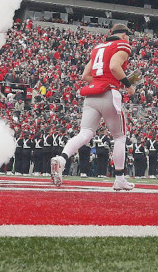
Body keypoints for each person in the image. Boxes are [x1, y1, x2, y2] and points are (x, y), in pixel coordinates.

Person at [51, 24, 136, 191]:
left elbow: (85, 75)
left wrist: (103, 81)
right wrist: (127, 85)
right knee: (119, 137)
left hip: (91, 95)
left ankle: (61, 159)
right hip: (108, 93)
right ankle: (119, 178)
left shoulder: (98, 48)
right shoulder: (122, 45)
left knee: (85, 133)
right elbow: (114, 66)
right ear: (124, 35)